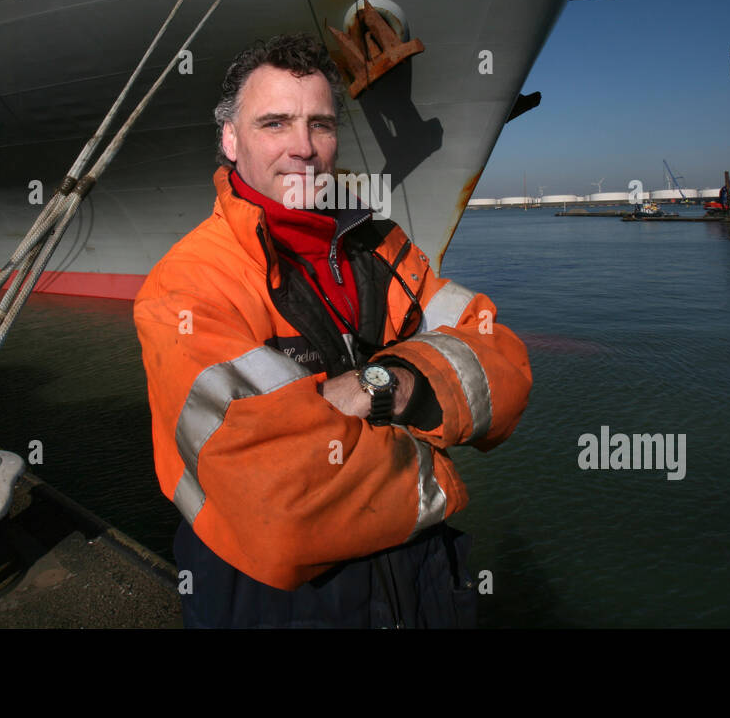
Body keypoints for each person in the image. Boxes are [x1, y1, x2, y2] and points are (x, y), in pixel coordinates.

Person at [134, 33, 531, 627]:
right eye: (275, 123)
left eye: (320, 125)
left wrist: (391, 383)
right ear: (229, 139)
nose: (303, 148)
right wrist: (439, 467)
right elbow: (280, 507)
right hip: (275, 602)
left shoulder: (380, 245)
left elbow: (502, 364)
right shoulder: (186, 288)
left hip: (421, 586)